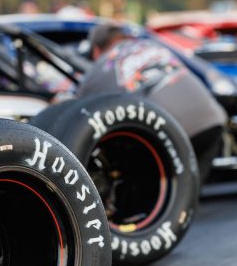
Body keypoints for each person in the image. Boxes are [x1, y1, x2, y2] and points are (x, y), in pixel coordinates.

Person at [79, 23, 227, 178]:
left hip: (173, 133)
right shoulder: (150, 45)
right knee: (188, 191)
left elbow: (80, 112)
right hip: (211, 120)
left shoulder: (102, 65)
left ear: (96, 50)